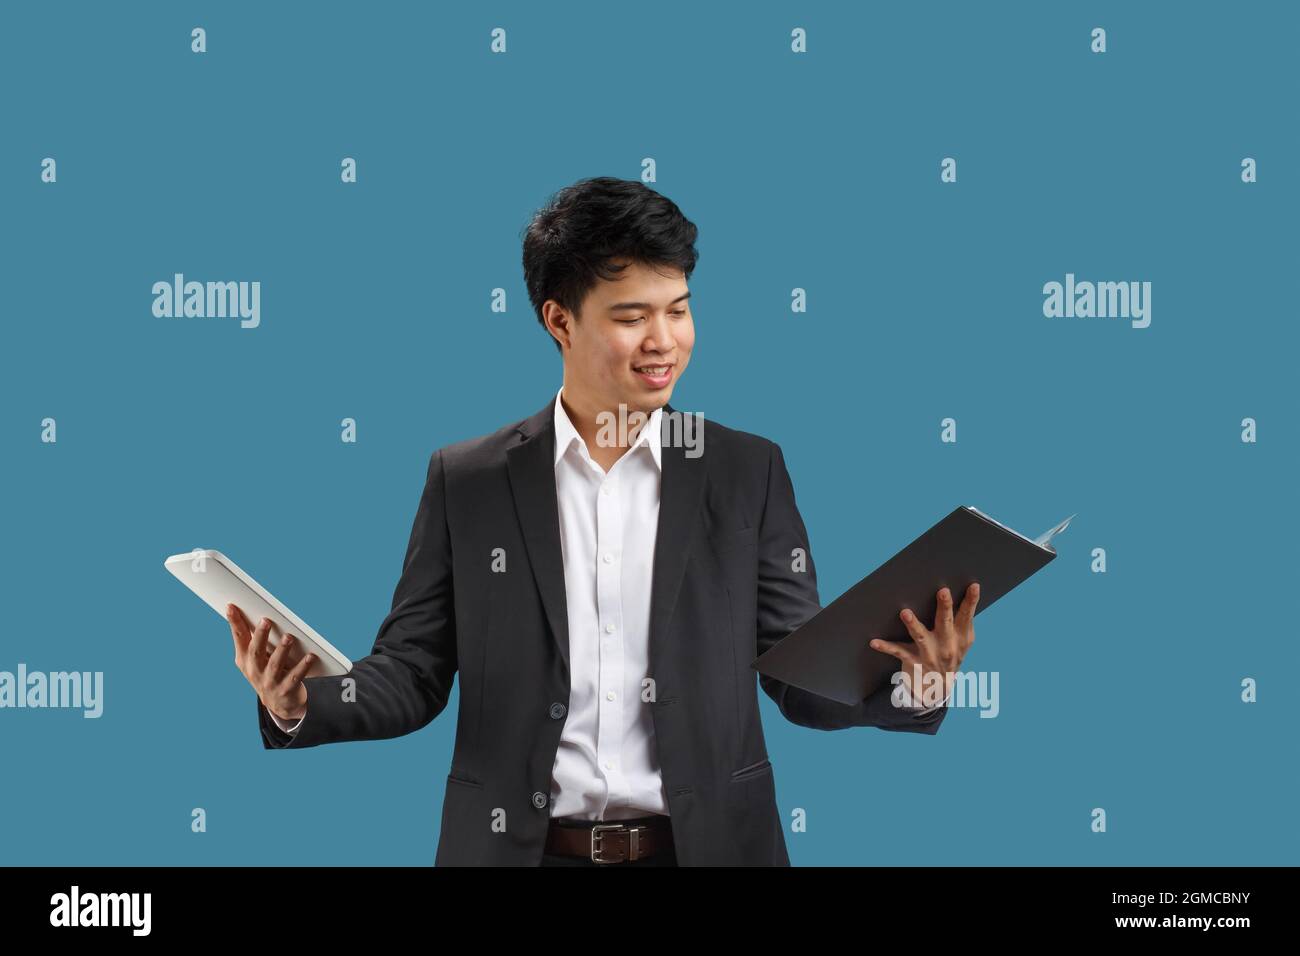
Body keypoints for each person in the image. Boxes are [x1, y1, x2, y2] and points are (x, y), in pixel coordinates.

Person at [229, 176, 979, 866]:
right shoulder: (469, 480)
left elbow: (797, 676)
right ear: (559, 319)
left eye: (679, 310)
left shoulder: (748, 470)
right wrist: (301, 704)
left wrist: (915, 683)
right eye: (632, 316)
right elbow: (414, 672)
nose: (665, 341)